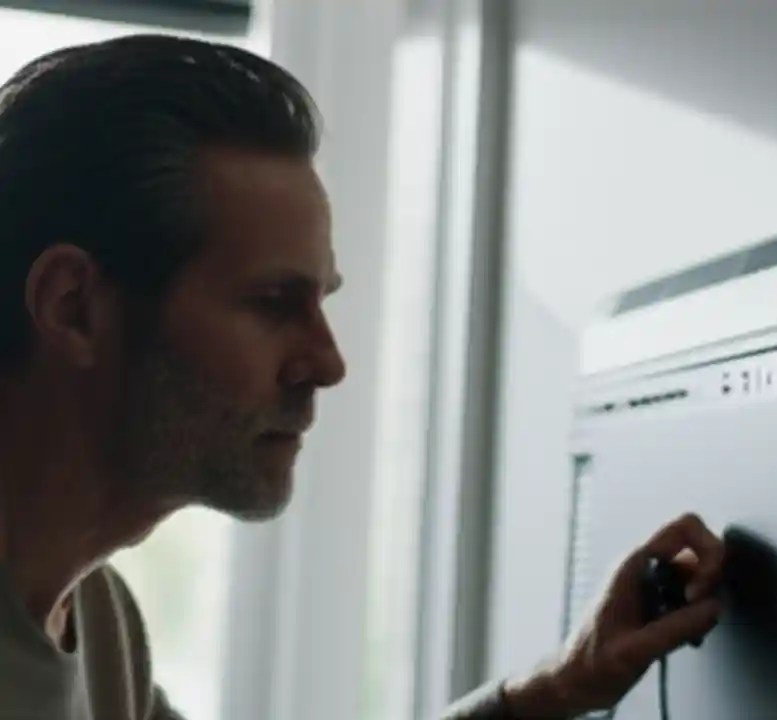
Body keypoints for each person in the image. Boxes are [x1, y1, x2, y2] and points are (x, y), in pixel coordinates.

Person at [0, 34, 724, 719]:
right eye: (273, 303)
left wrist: (560, 688)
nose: (328, 362)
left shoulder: (99, 618)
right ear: (74, 308)